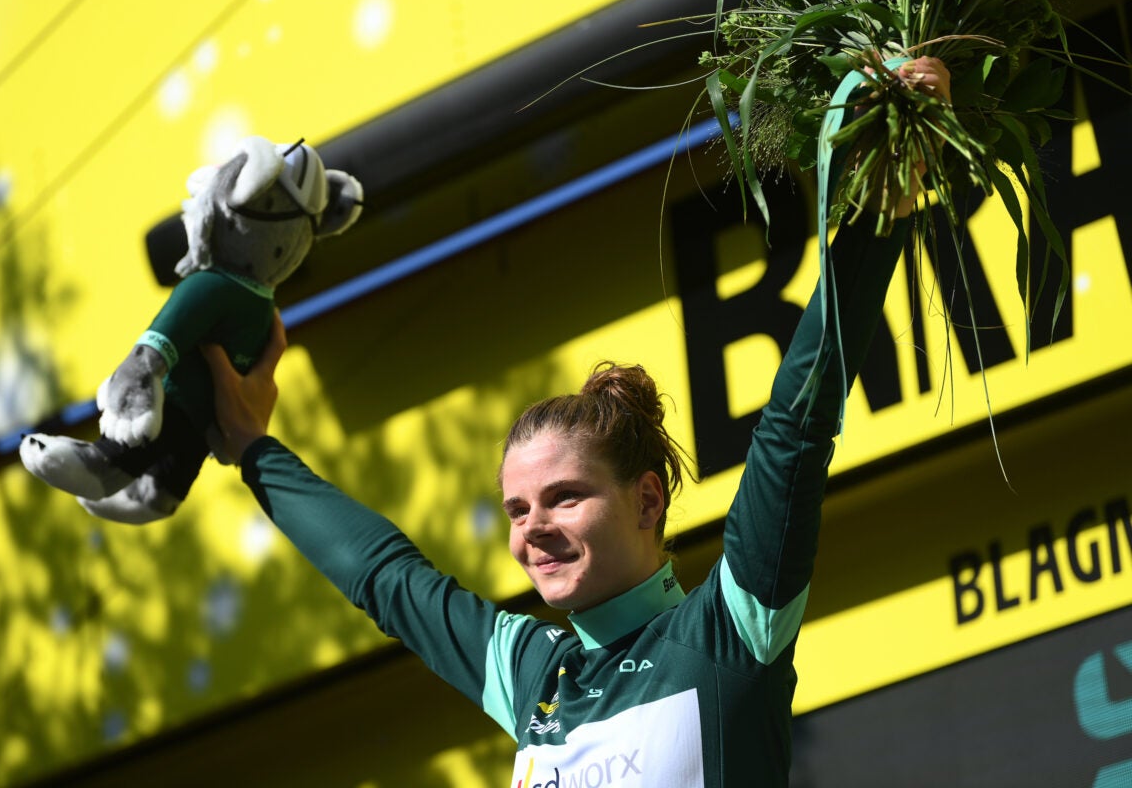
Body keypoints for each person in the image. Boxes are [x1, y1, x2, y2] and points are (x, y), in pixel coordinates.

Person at [201, 58, 951, 787]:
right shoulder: (531, 673)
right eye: (516, 510)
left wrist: (876, 205)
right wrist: (253, 447)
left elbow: (797, 426)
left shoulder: (728, 629)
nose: (532, 531)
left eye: (563, 497)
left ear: (647, 500)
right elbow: (385, 578)